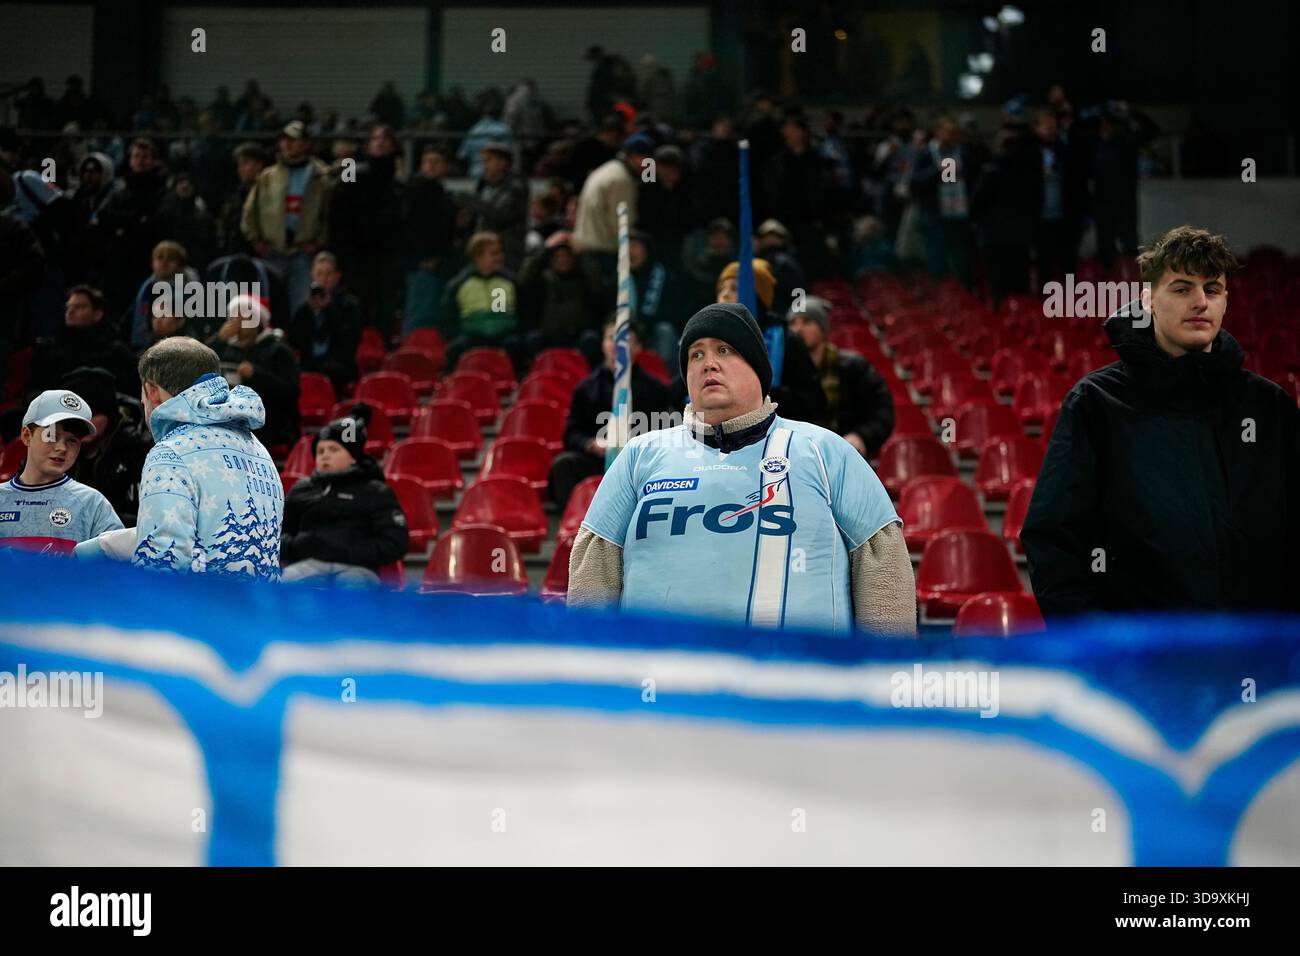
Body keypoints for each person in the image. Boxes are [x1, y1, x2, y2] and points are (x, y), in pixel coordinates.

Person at [568, 302, 915, 634]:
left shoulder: (826, 451)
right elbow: (592, 574)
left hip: (795, 688)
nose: (708, 364)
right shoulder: (639, 455)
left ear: (758, 369)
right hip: (659, 686)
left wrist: (884, 675)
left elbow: (883, 568)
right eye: (696, 354)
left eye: (724, 350)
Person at [1022, 227, 1300, 619]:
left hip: (1260, 656)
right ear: (1148, 300)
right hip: (1142, 661)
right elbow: (1053, 541)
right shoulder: (1096, 404)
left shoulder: (1270, 407)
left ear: (1226, 302)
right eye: (1182, 288)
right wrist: (1102, 648)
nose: (1200, 302)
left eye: (1213, 289)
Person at [133, 336, 283, 579]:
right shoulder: (261, 451)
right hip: (259, 613)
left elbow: (161, 561)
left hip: (199, 614)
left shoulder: (170, 454)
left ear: (151, 391)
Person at [548, 317, 670, 510]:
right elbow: (571, 434)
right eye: (611, 338)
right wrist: (591, 444)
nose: (616, 345)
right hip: (597, 460)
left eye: (624, 339)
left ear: (638, 347)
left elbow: (664, 433)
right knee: (564, 465)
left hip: (638, 463)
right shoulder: (585, 389)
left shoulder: (655, 389)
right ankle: (575, 524)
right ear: (603, 344)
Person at [281, 405, 409, 586]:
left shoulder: (375, 491)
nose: (325, 456)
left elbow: (395, 542)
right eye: (320, 451)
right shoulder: (301, 489)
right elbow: (278, 535)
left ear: (353, 457)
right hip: (306, 565)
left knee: (352, 591)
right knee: (287, 587)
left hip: (357, 569)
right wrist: (302, 545)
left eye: (333, 450)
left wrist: (346, 550)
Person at [0, 388, 123, 550]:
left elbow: (116, 566)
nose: (62, 448)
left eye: (72, 440)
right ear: (26, 435)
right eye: (52, 436)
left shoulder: (91, 503)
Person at [241, 121, 333, 314]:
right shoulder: (267, 176)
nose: (288, 144)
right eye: (284, 139)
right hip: (272, 252)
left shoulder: (321, 175)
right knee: (266, 307)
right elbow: (250, 212)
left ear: (306, 143)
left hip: (303, 253)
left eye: (294, 139)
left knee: (301, 307)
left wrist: (318, 242)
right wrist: (256, 241)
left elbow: (329, 214)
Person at [787, 297, 895, 456]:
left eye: (807, 322)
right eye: (793, 323)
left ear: (823, 329)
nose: (798, 329)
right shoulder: (785, 372)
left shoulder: (854, 366)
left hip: (848, 454)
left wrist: (861, 436)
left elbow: (882, 413)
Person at [60, 366, 153, 526]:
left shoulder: (139, 451)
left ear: (110, 415)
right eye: (77, 416)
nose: (85, 423)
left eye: (93, 414)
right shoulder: (49, 449)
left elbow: (147, 519)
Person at [209, 294, 300, 455]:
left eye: (245, 315)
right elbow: (197, 367)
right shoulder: (223, 347)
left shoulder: (278, 349)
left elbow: (291, 392)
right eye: (235, 315)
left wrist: (256, 375)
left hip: (267, 417)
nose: (238, 320)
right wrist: (218, 340)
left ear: (259, 320)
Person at [29, 285, 139, 400]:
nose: (70, 311)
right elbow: (32, 390)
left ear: (97, 314)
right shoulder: (49, 350)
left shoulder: (116, 353)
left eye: (79, 307)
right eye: (68, 307)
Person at [440, 231, 523, 374]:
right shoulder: (459, 284)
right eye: (493, 253)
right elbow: (448, 316)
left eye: (499, 253)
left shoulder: (507, 281)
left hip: (502, 336)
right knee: (455, 349)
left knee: (516, 346)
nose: (499, 257)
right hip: (471, 335)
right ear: (478, 256)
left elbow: (504, 313)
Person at [286, 251, 362, 396]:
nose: (323, 279)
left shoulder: (350, 305)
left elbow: (350, 340)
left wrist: (329, 309)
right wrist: (308, 312)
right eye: (319, 274)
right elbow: (293, 341)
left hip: (339, 366)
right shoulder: (304, 308)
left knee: (328, 371)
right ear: (313, 275)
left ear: (337, 276)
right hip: (309, 364)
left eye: (328, 274)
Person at [457, 142, 529, 273]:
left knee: (499, 291)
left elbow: (500, 214)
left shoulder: (515, 186)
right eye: (483, 161)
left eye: (488, 160)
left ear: (503, 163)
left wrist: (471, 201)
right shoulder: (483, 185)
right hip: (481, 252)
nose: (484, 166)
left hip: (504, 253)